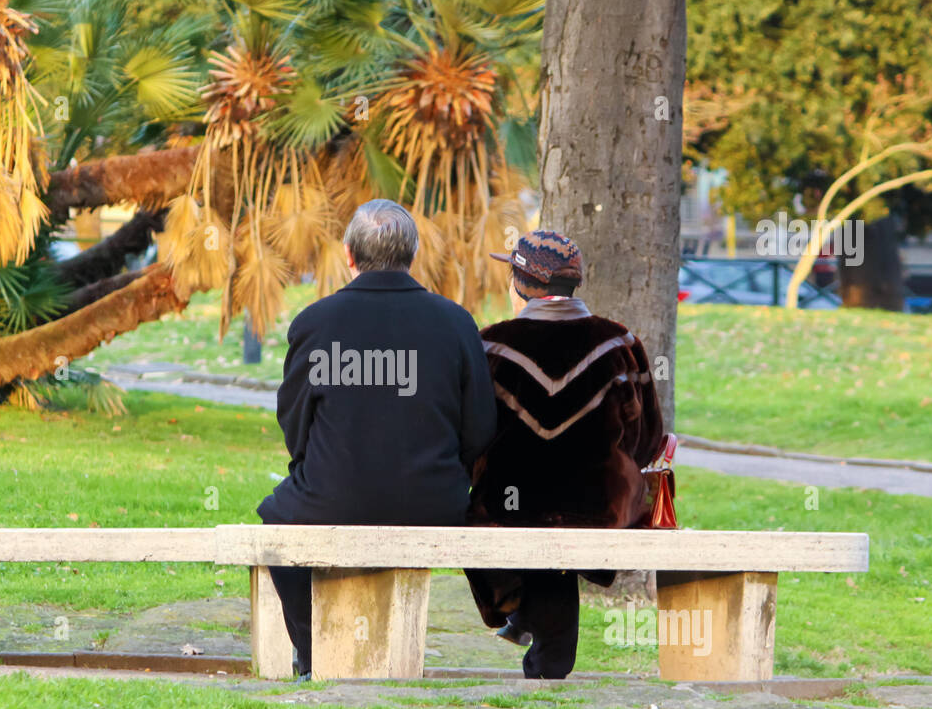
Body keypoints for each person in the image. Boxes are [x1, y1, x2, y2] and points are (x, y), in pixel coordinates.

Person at [257, 199, 497, 679]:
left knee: (274, 524)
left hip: (331, 498)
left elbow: (294, 421)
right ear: (413, 254)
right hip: (435, 503)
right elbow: (480, 428)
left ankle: (311, 650)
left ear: (349, 255)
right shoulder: (455, 322)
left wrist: (318, 465)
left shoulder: (316, 322)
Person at [464, 230, 664, 679]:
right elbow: (649, 438)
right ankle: (539, 640)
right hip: (600, 507)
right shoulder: (620, 344)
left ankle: (517, 611)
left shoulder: (490, 346)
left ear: (523, 282)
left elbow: (468, 436)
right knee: (561, 516)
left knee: (492, 510)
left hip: (506, 506)